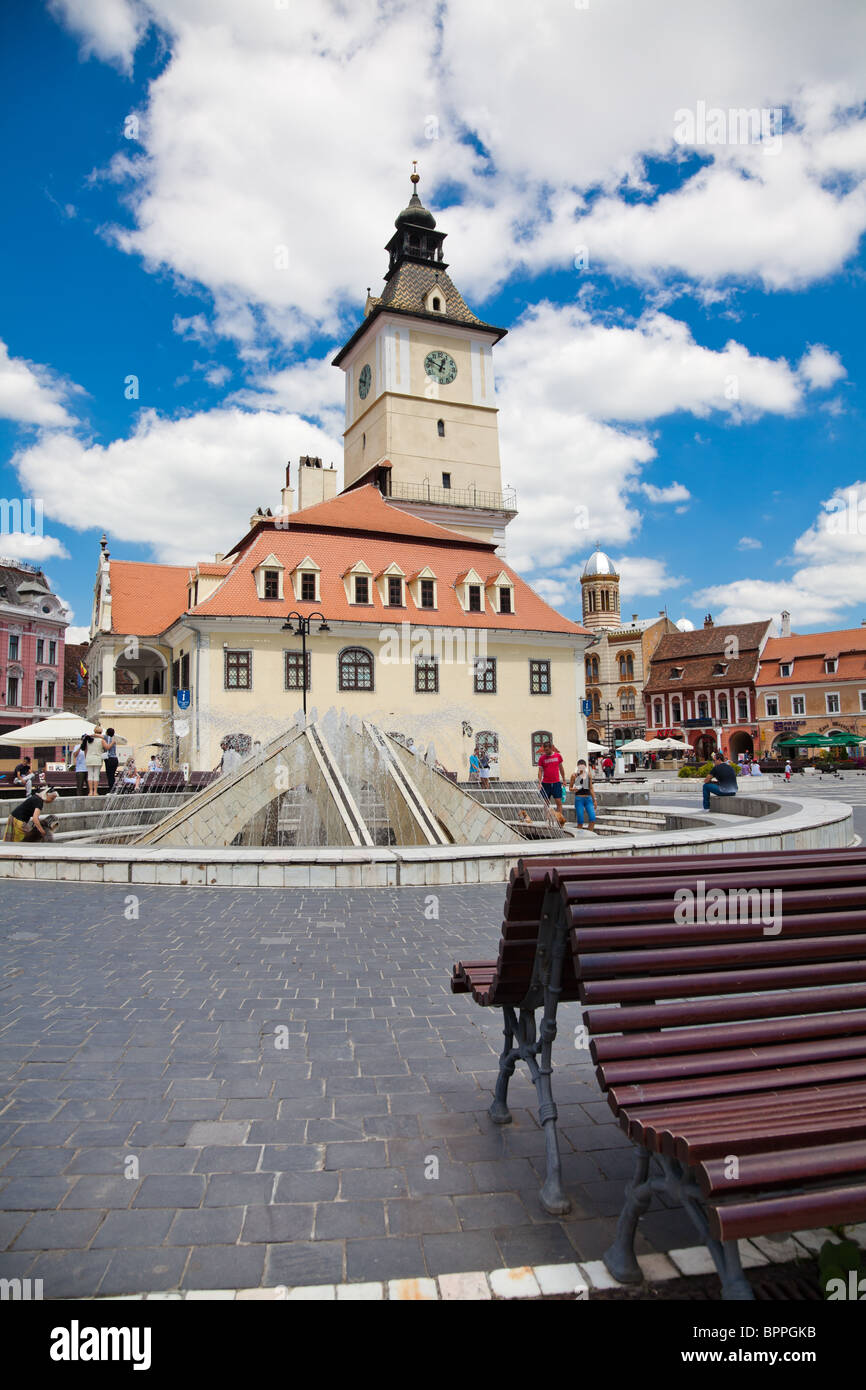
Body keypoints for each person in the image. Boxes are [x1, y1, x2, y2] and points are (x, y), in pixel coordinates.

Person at [537, 739, 565, 814]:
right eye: (545, 750)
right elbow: (540, 771)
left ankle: (560, 820)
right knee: (546, 803)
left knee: (558, 802)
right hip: (546, 783)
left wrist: (564, 779)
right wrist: (539, 782)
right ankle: (547, 821)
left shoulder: (558, 756)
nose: (546, 752)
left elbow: (561, 768)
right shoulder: (542, 758)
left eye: (547, 750)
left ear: (551, 748)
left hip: (556, 783)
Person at [569, 758, 597, 831]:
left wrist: (595, 799)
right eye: (580, 767)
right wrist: (574, 789)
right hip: (579, 799)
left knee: (592, 818)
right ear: (577, 767)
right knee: (580, 821)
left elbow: (591, 788)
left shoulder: (589, 775)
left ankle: (589, 834)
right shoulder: (574, 775)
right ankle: (580, 837)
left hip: (588, 799)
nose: (581, 769)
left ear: (585, 767)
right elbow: (570, 788)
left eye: (583, 767)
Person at [85, 726, 104, 796]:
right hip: (97, 759)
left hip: (89, 758)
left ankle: (90, 791)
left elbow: (85, 750)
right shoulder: (102, 740)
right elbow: (104, 739)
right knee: (96, 775)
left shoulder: (88, 740)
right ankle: (95, 791)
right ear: (101, 732)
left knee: (90, 775)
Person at [102, 727, 119, 792]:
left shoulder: (107, 737)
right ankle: (113, 789)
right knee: (112, 775)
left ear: (106, 732)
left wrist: (91, 735)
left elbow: (107, 747)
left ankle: (111, 790)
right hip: (115, 759)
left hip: (109, 759)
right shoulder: (113, 739)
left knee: (109, 775)